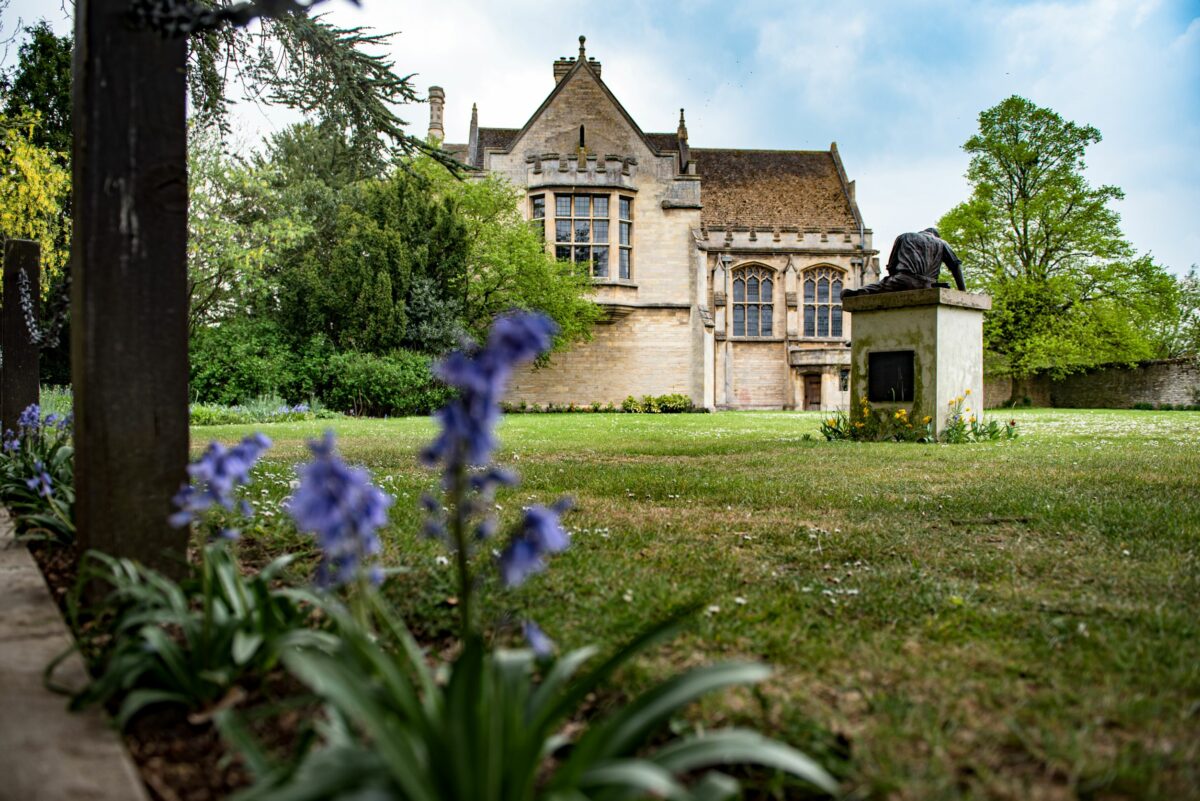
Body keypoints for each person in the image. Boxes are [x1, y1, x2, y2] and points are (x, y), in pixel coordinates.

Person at [842, 227, 964, 297]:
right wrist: (963, 292)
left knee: (874, 288)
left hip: (904, 280)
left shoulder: (906, 236)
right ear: (935, 235)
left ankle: (854, 293)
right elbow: (956, 266)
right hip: (928, 284)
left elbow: (892, 265)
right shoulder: (941, 243)